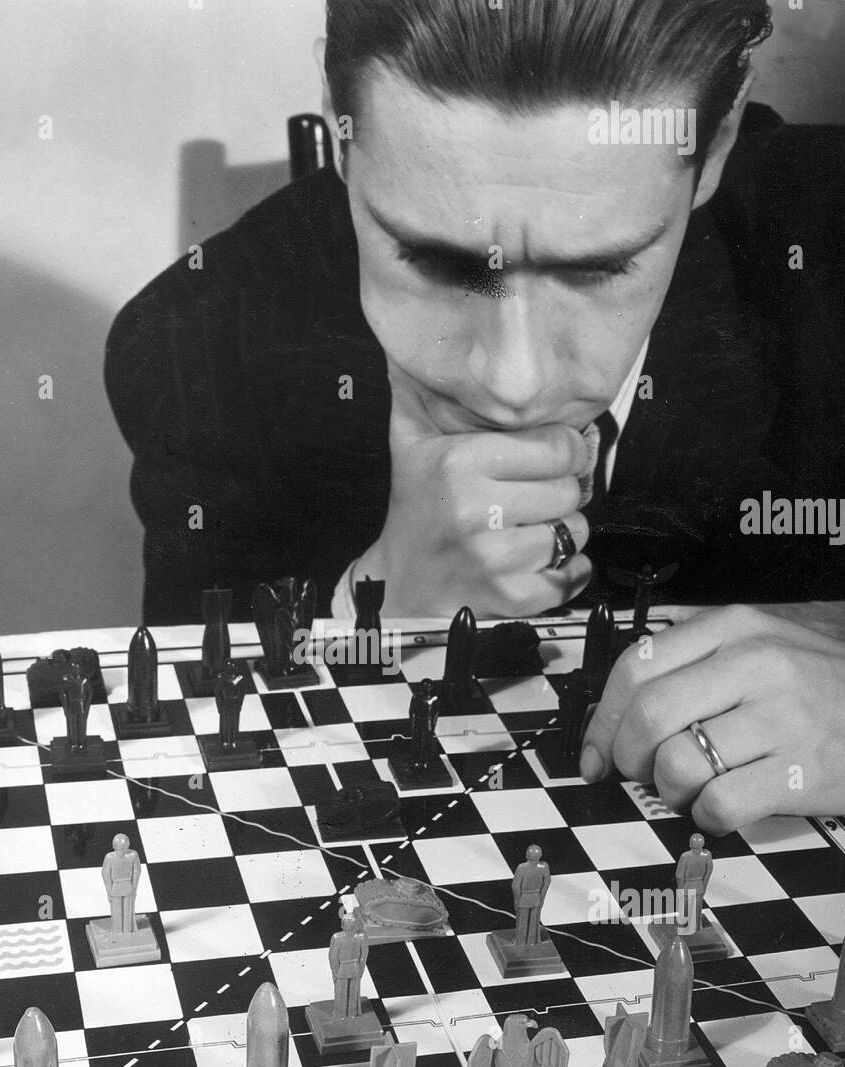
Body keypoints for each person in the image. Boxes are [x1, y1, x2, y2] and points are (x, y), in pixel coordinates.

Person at [105, 0, 845, 831]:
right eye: (433, 260)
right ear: (341, 130)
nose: (514, 382)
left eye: (600, 268)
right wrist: (361, 615)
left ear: (715, 144)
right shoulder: (198, 340)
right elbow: (193, 744)